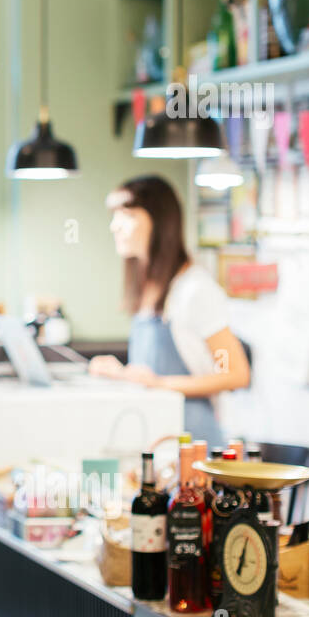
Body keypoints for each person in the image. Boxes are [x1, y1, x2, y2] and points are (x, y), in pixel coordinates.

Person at [88, 174, 250, 448]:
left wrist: (159, 383)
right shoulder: (148, 289)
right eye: (114, 216)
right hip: (157, 439)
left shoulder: (196, 290)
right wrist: (122, 374)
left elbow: (233, 374)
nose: (114, 226)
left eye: (126, 216)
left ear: (159, 221)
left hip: (195, 445)